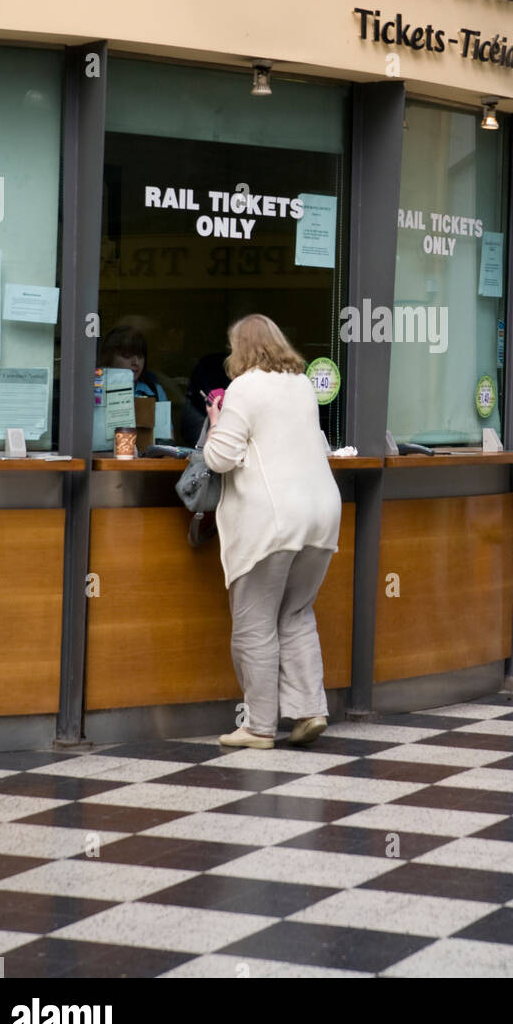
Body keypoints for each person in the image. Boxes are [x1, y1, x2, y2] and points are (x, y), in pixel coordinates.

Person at [203, 313, 341, 748]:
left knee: (255, 623)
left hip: (274, 521)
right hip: (321, 514)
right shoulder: (301, 385)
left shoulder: (245, 387)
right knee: (296, 613)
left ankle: (259, 726)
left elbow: (220, 458)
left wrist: (215, 419)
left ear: (240, 348)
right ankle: (309, 711)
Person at [100, 326, 169, 402]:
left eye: (140, 356)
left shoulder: (155, 392)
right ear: (109, 357)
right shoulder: (94, 390)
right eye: (127, 355)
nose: (136, 363)